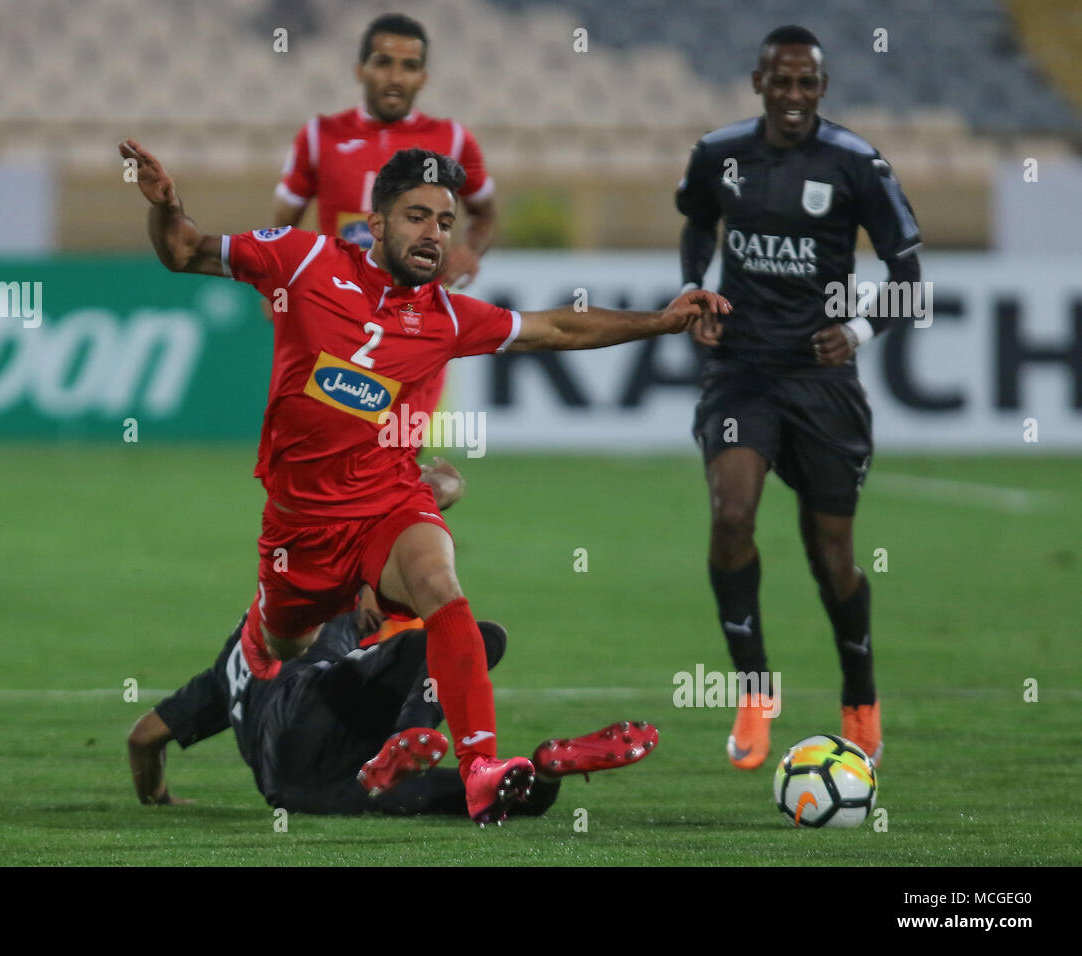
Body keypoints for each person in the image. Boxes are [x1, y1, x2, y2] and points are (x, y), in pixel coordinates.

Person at [119, 137, 726, 824]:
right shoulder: (304, 259)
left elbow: (556, 327)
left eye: (445, 220)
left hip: (385, 502)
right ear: (374, 224)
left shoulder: (443, 317)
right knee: (286, 645)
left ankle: (480, 765)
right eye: (416, 216)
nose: (433, 233)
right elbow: (185, 251)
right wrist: (167, 207)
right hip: (300, 530)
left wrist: (667, 319)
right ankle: (276, 641)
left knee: (442, 588)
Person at [128, 467, 659, 819]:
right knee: (468, 638)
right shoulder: (322, 599)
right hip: (312, 714)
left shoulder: (227, 667)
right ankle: (409, 734)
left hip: (311, 793)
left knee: (504, 800)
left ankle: (540, 770)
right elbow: (447, 481)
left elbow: (143, 738)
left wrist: (157, 798)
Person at [675, 25, 923, 771]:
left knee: (833, 559)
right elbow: (697, 219)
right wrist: (697, 286)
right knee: (732, 516)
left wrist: (857, 330)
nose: (791, 96)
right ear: (758, 83)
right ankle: (755, 692)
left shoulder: (856, 164)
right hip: (743, 372)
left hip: (822, 382)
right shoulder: (719, 152)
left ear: (821, 89)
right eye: (779, 82)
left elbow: (910, 277)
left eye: (805, 84)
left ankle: (860, 695)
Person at [271, 13, 495, 290]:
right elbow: (283, 223)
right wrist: (280, 281)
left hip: (417, 310)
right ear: (360, 70)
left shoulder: (453, 139)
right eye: (383, 62)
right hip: (337, 303)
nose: (396, 77)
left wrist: (469, 251)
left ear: (423, 78)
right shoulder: (320, 136)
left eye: (409, 66)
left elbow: (484, 213)